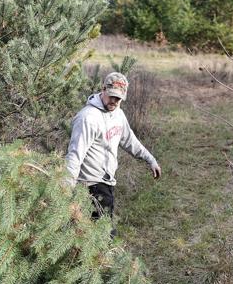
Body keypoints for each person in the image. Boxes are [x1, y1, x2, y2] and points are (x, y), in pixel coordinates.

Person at [65, 72, 161, 228]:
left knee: (91, 236)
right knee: (103, 235)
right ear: (103, 89)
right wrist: (66, 189)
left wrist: (150, 159)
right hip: (90, 186)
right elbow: (75, 155)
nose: (115, 101)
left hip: (107, 184)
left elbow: (130, 141)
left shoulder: (118, 114)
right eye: (112, 96)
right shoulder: (88, 118)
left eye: (119, 99)